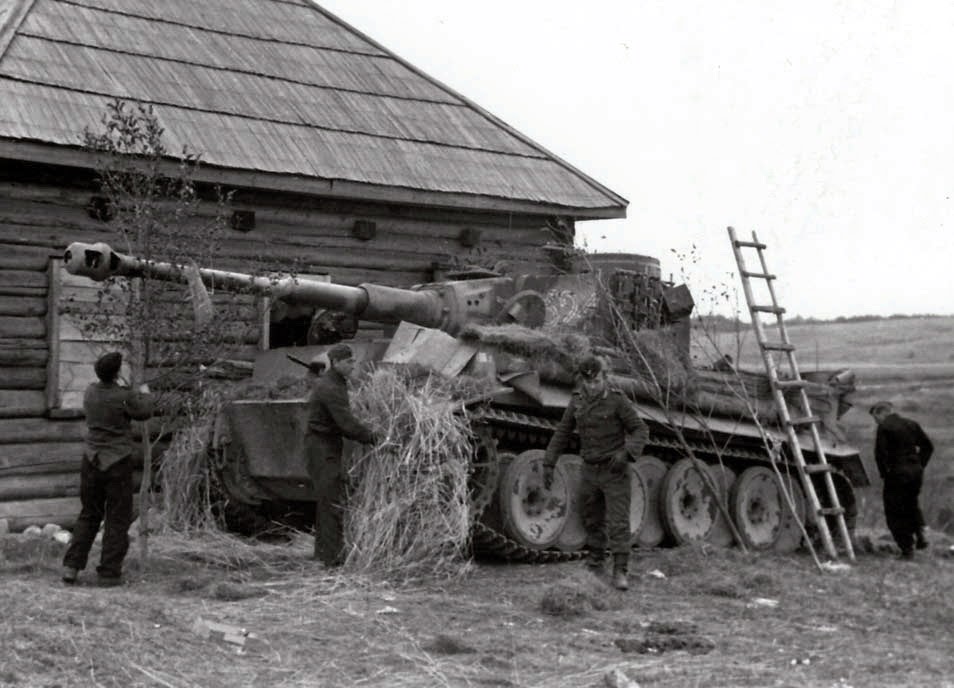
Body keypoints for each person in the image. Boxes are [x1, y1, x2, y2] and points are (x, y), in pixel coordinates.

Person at [542, 355, 649, 590]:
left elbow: (640, 429)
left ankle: (620, 570)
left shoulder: (617, 401)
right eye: (588, 382)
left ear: (605, 378)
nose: (592, 386)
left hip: (614, 470)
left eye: (596, 381)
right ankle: (595, 562)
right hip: (590, 470)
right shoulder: (577, 401)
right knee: (591, 518)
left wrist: (626, 454)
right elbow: (562, 432)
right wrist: (549, 463)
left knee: (618, 522)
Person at [62, 351, 154, 586]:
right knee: (117, 517)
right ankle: (109, 573)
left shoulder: (90, 391)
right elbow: (144, 412)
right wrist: (144, 393)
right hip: (117, 462)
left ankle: (71, 567)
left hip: (91, 460)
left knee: (89, 514)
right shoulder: (124, 396)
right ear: (117, 373)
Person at [304, 344, 375, 567]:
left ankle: (324, 554)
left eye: (353, 361)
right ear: (335, 363)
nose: (353, 365)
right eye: (348, 362)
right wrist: (373, 437)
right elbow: (346, 424)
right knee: (330, 503)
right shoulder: (331, 388)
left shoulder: (335, 382)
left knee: (327, 501)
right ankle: (331, 559)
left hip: (324, 445)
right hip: (322, 447)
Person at [869, 401, 934, 559]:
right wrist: (919, 464)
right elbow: (928, 446)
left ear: (882, 413)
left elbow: (880, 455)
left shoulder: (884, 427)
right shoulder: (911, 424)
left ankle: (907, 549)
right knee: (911, 503)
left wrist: (885, 474)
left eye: (875, 418)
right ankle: (920, 534)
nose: (876, 421)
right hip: (915, 472)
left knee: (894, 511)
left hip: (897, 473)